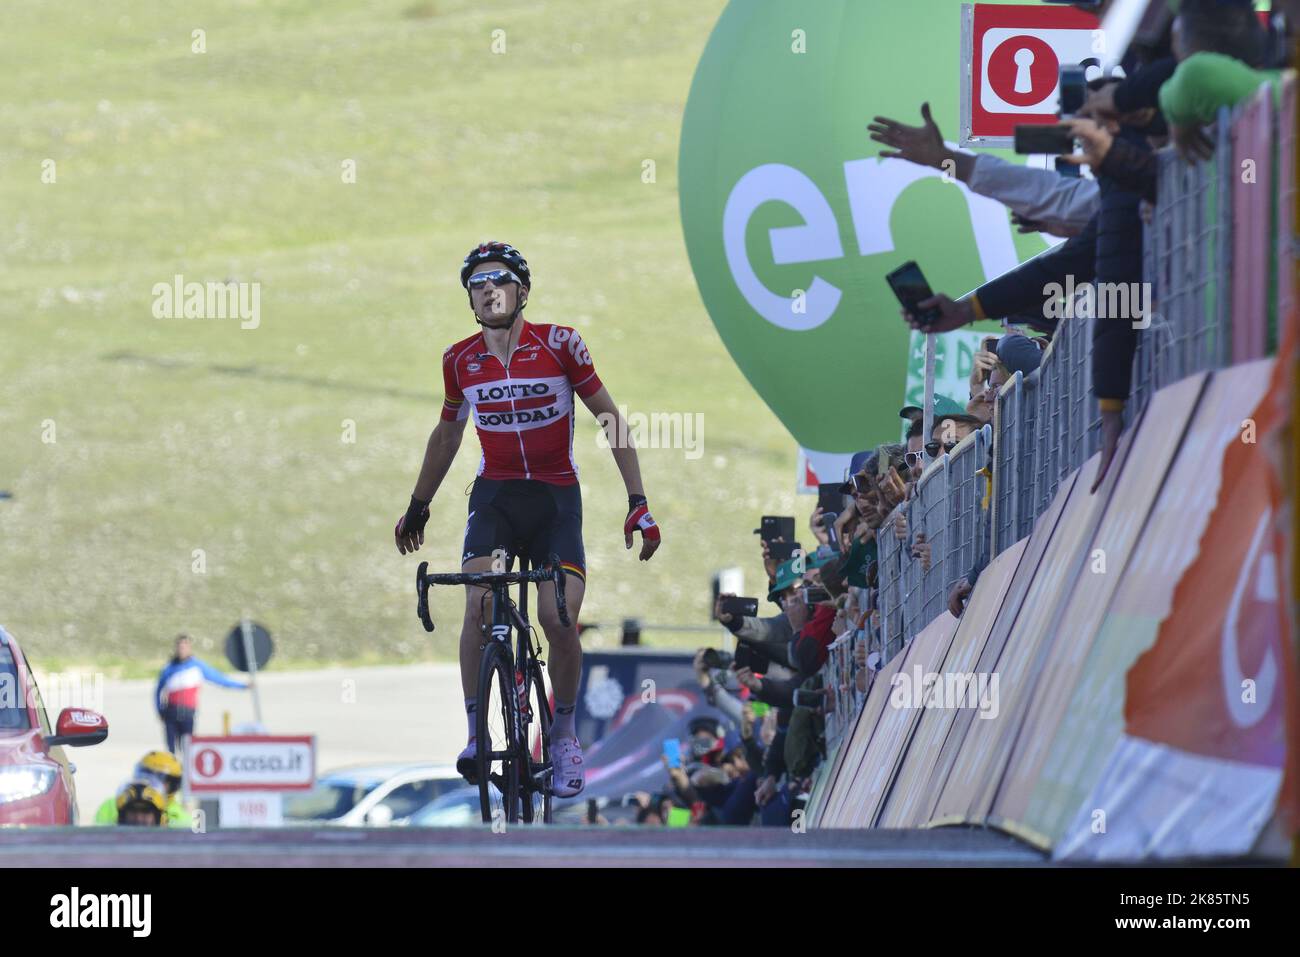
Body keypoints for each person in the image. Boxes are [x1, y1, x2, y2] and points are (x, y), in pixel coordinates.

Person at [393, 241, 662, 798]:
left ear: (521, 290)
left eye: (499, 279)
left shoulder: (561, 345)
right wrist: (419, 504)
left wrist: (637, 499)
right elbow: (448, 434)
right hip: (495, 498)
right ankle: (474, 733)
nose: (487, 290)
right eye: (476, 283)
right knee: (478, 602)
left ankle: (562, 735)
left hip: (555, 498)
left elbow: (609, 418)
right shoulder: (459, 360)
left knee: (558, 619)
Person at [155, 634, 249, 756]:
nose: (182, 649)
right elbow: (158, 691)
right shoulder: (169, 668)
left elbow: (220, 679)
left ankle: (186, 773)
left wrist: (242, 686)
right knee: (170, 749)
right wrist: (159, 710)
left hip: (188, 711)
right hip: (171, 711)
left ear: (189, 648)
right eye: (180, 646)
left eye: (185, 646)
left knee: (187, 747)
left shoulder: (197, 666)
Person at [94, 750, 193, 828]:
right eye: (147, 775)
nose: (151, 783)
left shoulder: (183, 819)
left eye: (146, 812)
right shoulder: (110, 805)